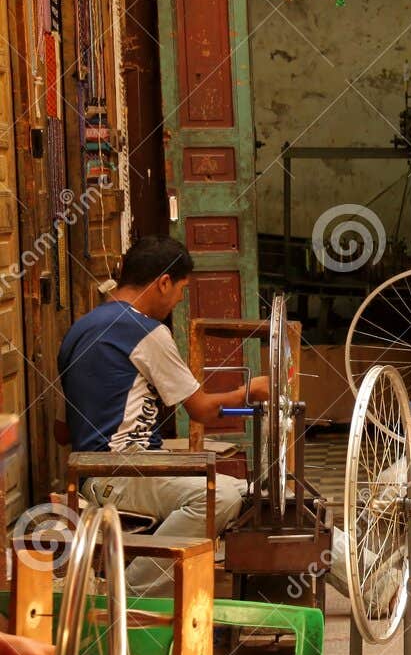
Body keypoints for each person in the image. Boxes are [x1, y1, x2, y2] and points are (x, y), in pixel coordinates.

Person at [57, 236, 266, 597]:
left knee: (251, 494)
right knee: (220, 497)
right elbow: (201, 409)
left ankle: (373, 577)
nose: (179, 300)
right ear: (164, 282)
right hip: (119, 471)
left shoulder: (79, 329)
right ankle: (125, 594)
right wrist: (253, 391)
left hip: (96, 469)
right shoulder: (144, 331)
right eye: (181, 289)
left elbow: (65, 429)